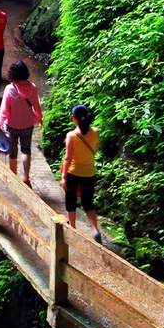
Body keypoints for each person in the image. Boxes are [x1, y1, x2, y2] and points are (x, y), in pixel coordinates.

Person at [0, 60, 41, 184]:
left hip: (12, 125)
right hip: (28, 124)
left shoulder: (10, 89)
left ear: (12, 74)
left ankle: (13, 179)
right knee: (26, 150)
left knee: (12, 153)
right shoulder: (33, 87)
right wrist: (40, 119)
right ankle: (26, 177)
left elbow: (4, 111)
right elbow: (36, 106)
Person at [59, 104, 103, 243]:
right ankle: (95, 230)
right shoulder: (96, 131)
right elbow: (95, 148)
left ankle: (72, 228)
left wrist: (63, 177)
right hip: (89, 173)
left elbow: (68, 158)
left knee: (70, 201)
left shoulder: (71, 135)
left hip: (74, 173)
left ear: (73, 118)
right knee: (88, 202)